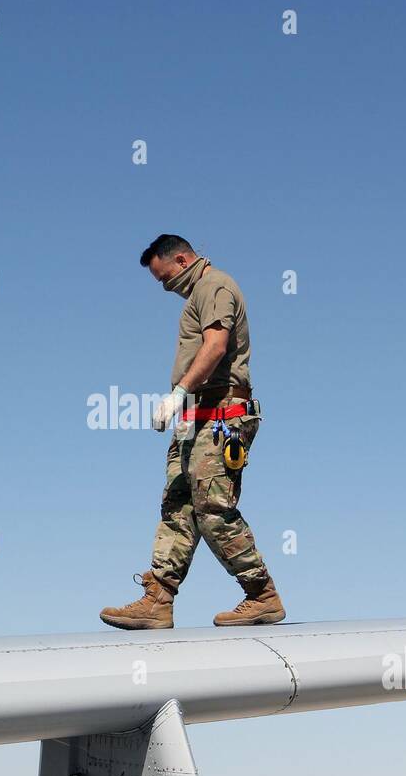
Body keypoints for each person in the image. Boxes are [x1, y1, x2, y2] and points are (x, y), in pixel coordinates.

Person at [100, 234, 286, 630]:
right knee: (178, 506)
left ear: (182, 260)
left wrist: (180, 391)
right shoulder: (197, 295)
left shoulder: (214, 285)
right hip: (196, 418)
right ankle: (158, 599)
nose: (166, 288)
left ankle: (262, 594)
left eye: (166, 278)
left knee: (212, 509)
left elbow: (216, 346)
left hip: (221, 416)